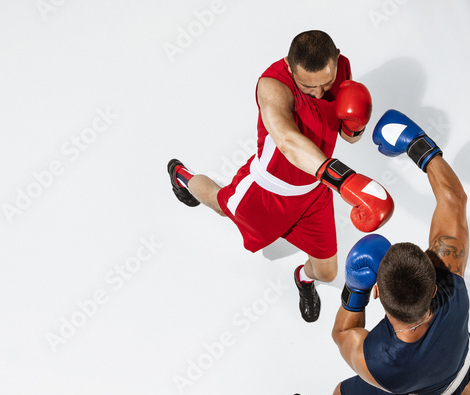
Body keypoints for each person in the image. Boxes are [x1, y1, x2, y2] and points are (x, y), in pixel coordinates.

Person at [288, 109, 470, 395]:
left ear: (377, 293)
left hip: (422, 392)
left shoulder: (381, 360)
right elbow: (453, 199)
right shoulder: (452, 281)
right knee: (460, 379)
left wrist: (355, 287)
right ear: (432, 284)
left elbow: (341, 334)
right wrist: (418, 146)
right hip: (459, 360)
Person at [168, 30, 393, 323]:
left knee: (327, 272)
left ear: (336, 58)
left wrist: (356, 125)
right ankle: (182, 176)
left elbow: (348, 136)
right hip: (268, 191)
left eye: (326, 83)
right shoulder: (272, 85)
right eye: (308, 86)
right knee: (219, 204)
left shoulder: (342, 69)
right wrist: (345, 179)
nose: (319, 93)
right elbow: (287, 140)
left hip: (315, 192)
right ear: (289, 66)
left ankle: (303, 279)